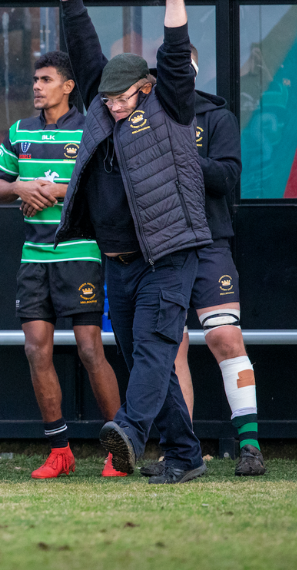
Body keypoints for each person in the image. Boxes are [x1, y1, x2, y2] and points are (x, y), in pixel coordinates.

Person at [54, 0, 212, 484]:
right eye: (106, 99)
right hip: (118, 263)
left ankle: (129, 430)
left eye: (122, 99)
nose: (113, 107)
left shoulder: (170, 104)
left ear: (143, 88)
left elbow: (174, 49)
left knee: (154, 348)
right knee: (146, 358)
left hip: (167, 254)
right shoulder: (103, 105)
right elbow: (84, 48)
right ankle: (185, 455)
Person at [0, 50, 124, 479]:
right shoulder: (19, 131)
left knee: (90, 349)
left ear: (68, 86)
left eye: (45, 79)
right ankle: (60, 450)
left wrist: (54, 190)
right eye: (35, 79)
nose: (36, 86)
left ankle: (121, 449)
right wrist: (21, 187)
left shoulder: (90, 128)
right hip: (34, 257)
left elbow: (104, 185)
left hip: (79, 253)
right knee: (35, 350)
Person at [142, 45, 265, 477]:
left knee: (225, 337)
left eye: (181, 68)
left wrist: (182, 158)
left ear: (193, 71)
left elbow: (228, 177)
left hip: (210, 241)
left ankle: (250, 446)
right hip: (162, 247)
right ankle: (180, 452)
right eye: (164, 71)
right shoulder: (141, 119)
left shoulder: (216, 117)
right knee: (170, 349)